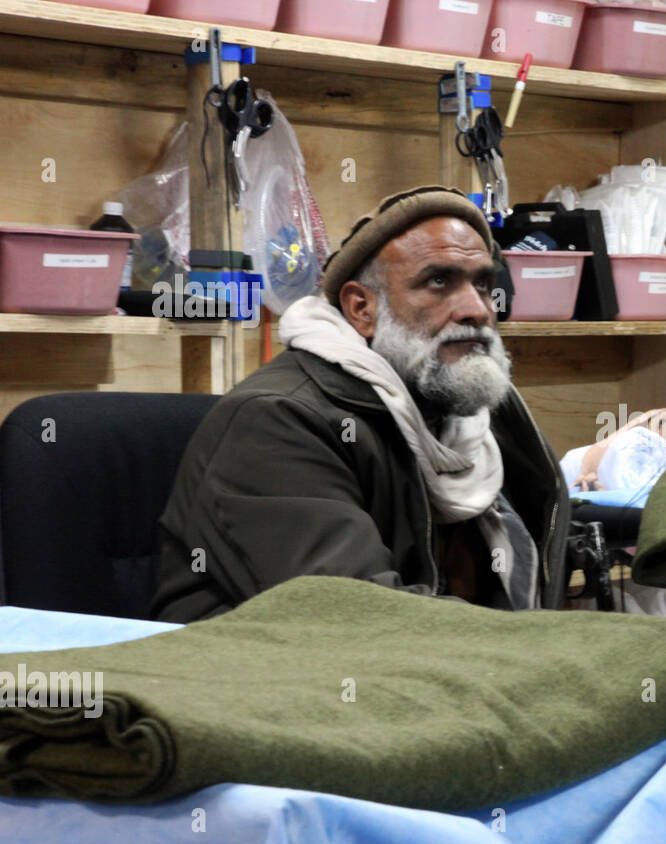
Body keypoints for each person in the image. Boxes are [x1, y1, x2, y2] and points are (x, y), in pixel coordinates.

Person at [152, 186, 569, 623]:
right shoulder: (276, 421)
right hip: (256, 680)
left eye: (482, 284)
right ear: (361, 308)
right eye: (439, 282)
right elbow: (355, 618)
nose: (477, 310)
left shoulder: (472, 414)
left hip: (440, 671)